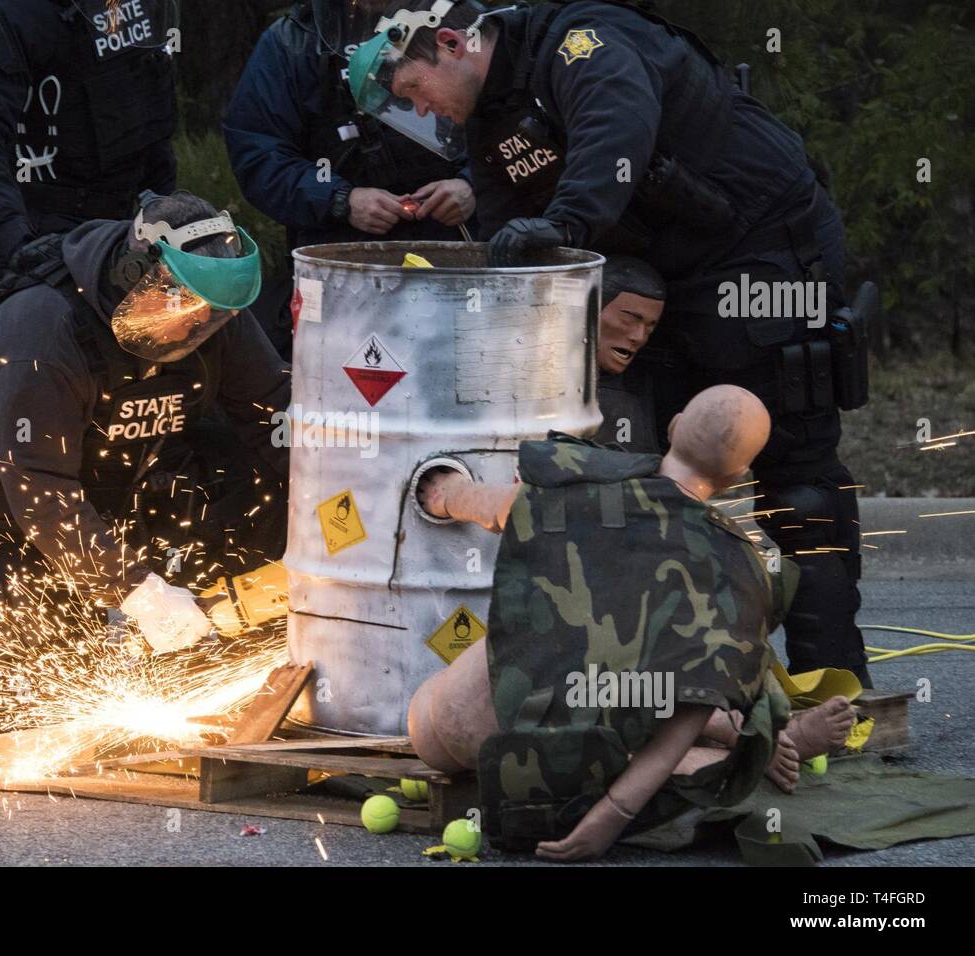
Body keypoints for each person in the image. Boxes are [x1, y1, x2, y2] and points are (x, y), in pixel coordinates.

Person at [349, 0, 875, 684]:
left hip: (762, 256)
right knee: (637, 477)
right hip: (660, 279)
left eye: (415, 91)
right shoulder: (490, 121)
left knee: (798, 486)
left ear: (451, 43)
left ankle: (835, 690)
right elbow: (508, 239)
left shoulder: (581, 46)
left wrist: (566, 224)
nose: (422, 111)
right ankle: (670, 687)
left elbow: (615, 133)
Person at [0, 191, 290, 726]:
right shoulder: (39, 332)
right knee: (32, 702)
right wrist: (140, 593)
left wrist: (339, 515)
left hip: (125, 481)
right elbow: (42, 490)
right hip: (4, 507)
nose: (194, 329)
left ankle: (189, 649)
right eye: (184, 308)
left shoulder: (212, 314)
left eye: (212, 318)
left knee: (246, 484)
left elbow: (277, 417)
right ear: (136, 272)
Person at [410, 385, 855, 860]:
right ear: (739, 476)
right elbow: (686, 716)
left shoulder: (579, 480)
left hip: (448, 717)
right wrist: (611, 816)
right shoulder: (736, 566)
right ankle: (749, 740)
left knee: (608, 659)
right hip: (567, 757)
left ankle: (736, 729)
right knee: (709, 745)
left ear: (674, 425)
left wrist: (445, 494)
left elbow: (497, 507)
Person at [223, 0, 477, 357]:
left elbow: (513, 118)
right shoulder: (293, 41)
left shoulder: (452, 18)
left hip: (453, 247)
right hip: (340, 256)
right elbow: (258, 154)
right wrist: (339, 199)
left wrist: (472, 184)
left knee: (458, 365)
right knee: (349, 374)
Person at [0, 0, 179, 303]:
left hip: (120, 229)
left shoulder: (118, 5)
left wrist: (165, 205)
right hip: (33, 234)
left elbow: (149, 114)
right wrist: (17, 239)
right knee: (45, 327)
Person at [591, 255, 664, 453]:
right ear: (592, 309)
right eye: (630, 319)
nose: (639, 337)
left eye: (650, 327)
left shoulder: (640, 389)